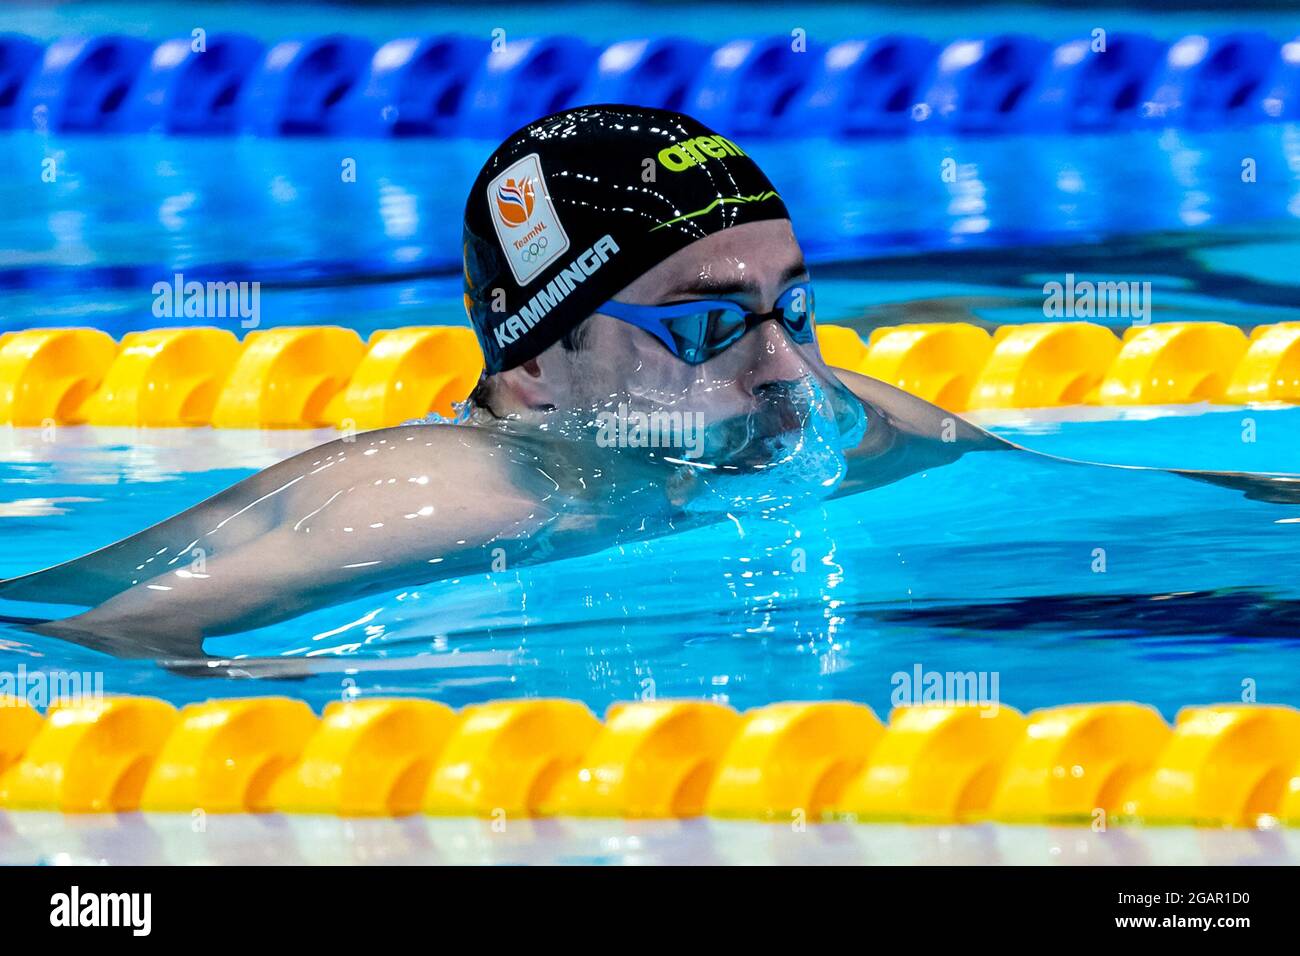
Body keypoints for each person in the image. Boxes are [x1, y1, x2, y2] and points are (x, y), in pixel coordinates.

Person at [0, 105, 1287, 657]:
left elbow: (1076, 489)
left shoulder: (819, 415)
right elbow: (103, 629)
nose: (784, 363)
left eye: (793, 307)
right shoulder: (457, 495)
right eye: (702, 325)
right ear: (539, 363)